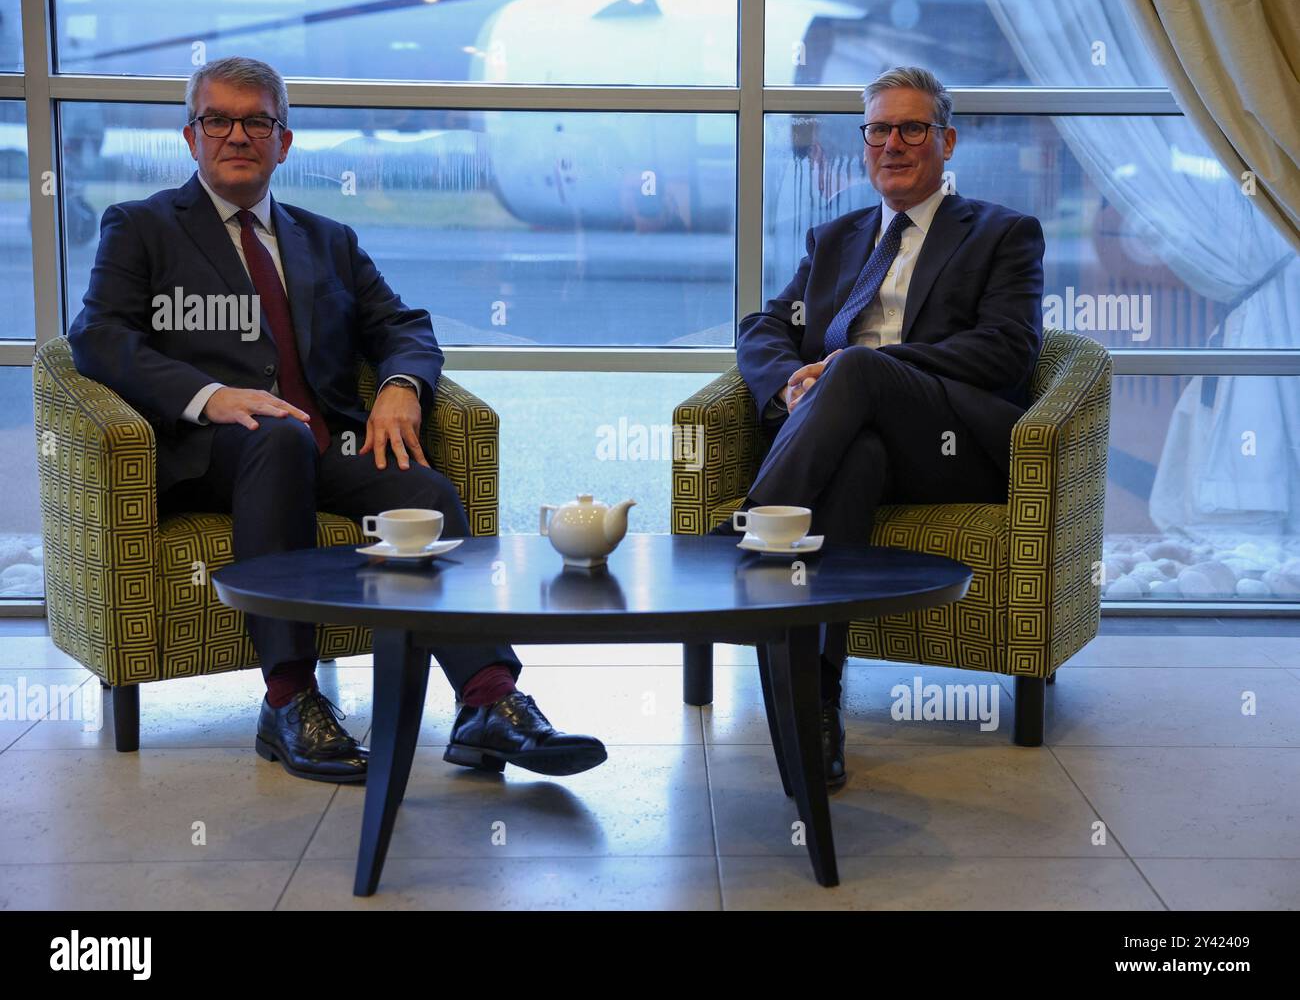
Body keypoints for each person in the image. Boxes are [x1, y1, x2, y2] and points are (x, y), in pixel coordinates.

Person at [68, 56, 607, 785]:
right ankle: (289, 698)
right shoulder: (141, 227)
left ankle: (487, 701)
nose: (237, 135)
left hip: (322, 444)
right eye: (217, 120)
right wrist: (210, 396)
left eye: (256, 120)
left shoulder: (328, 239)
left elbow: (404, 326)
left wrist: (401, 386)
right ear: (190, 136)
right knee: (278, 437)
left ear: (283, 142)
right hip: (207, 453)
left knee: (425, 491)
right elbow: (99, 338)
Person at [728, 66, 1044, 790]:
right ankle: (818, 702)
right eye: (879, 129)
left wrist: (855, 366)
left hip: (951, 443)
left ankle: (746, 536)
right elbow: (765, 326)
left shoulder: (1001, 233)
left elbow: (1005, 350)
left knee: (860, 369)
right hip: (848, 438)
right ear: (862, 140)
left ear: (947, 140)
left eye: (912, 128)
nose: (892, 144)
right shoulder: (836, 236)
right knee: (857, 456)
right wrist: (790, 379)